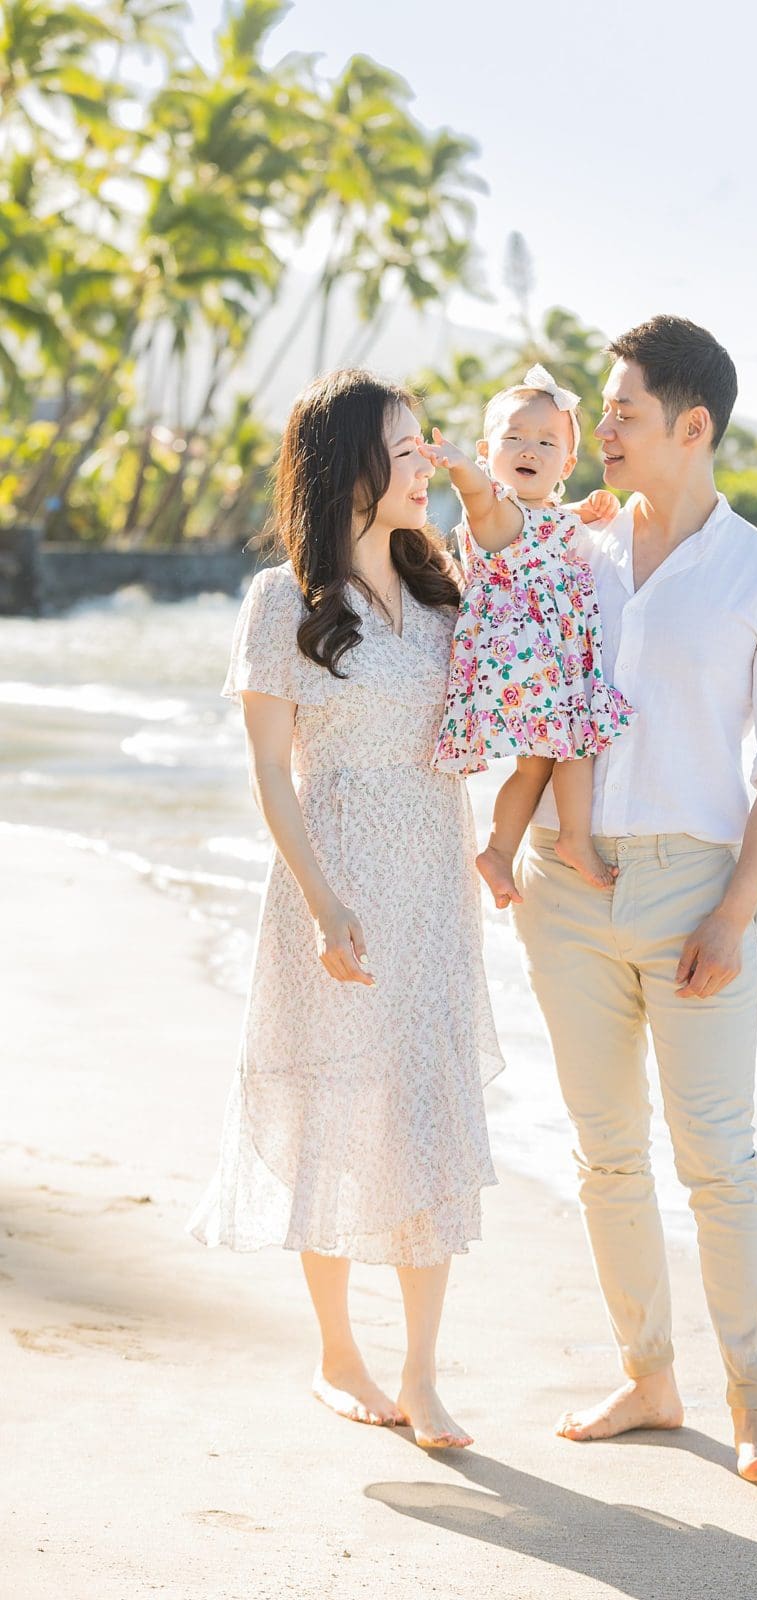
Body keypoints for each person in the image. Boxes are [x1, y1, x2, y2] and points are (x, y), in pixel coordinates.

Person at [511, 315, 757, 1485]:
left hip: (700, 886)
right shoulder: (573, 552)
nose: (602, 430)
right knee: (606, 1155)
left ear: (694, 429)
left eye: (625, 414)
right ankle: (649, 1375)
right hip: (568, 884)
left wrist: (736, 910)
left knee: (719, 1160)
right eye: (602, 412)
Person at [185, 368, 504, 1451]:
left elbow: (524, 682)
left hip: (436, 882)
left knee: (425, 1111)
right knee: (340, 1110)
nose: (424, 461)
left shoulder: (446, 586)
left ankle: (422, 1373)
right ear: (352, 467)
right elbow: (274, 774)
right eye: (405, 447)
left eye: (426, 444)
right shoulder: (281, 601)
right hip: (337, 881)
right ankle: (337, 1352)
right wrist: (324, 904)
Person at [421, 364, 634, 905]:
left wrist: (584, 510)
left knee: (538, 764)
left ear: (566, 462)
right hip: (526, 663)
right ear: (488, 451)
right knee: (578, 744)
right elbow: (481, 499)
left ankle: (498, 850)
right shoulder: (495, 513)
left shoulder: (545, 515)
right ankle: (574, 838)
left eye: (546, 442)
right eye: (513, 438)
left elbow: (549, 521)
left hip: (545, 663)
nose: (529, 449)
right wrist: (462, 469)